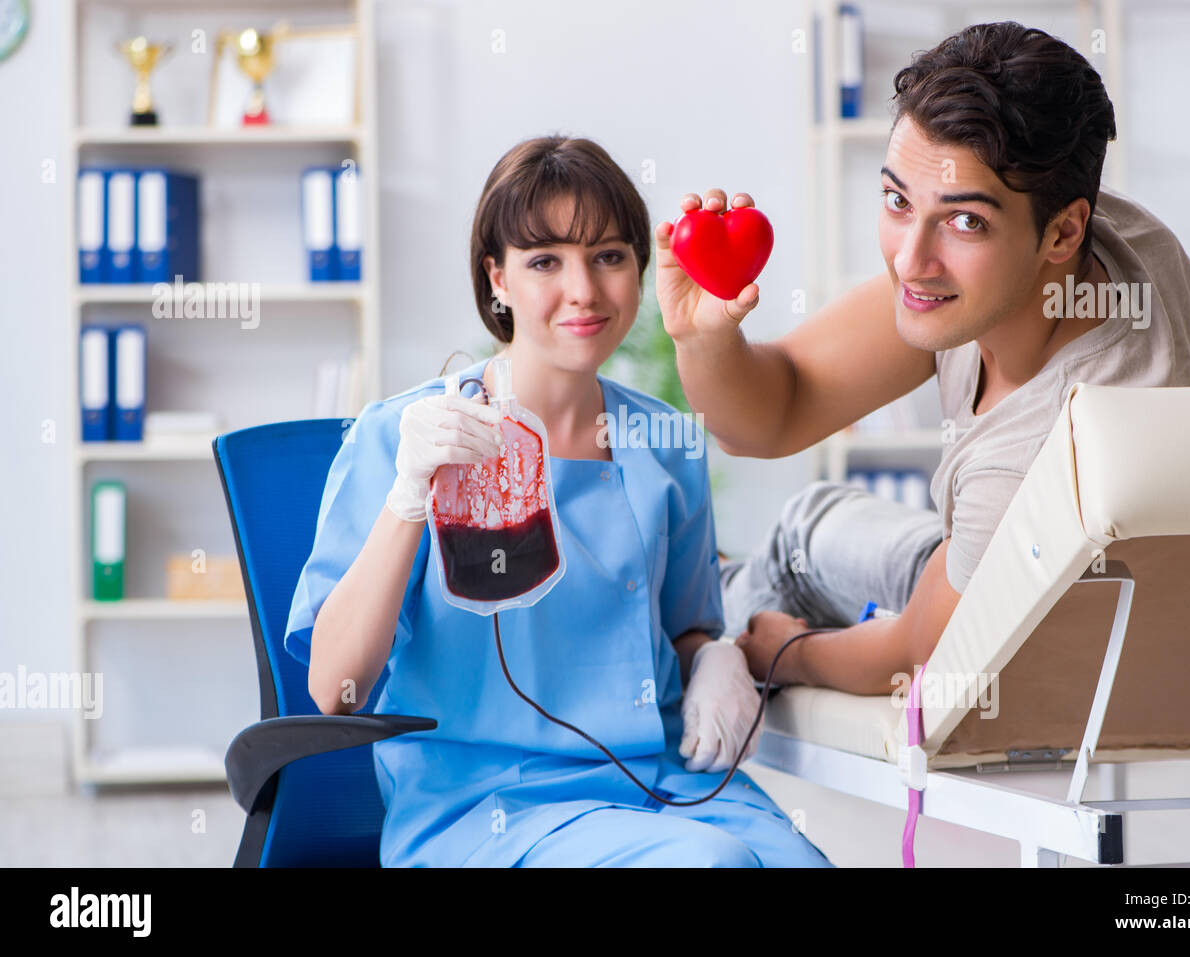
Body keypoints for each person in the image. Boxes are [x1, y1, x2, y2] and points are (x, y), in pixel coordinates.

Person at [655, 22, 1190, 695]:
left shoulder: (1054, 446)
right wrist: (703, 335)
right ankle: (716, 594)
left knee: (766, 586)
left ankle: (697, 619)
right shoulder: (1087, 234)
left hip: (1097, 666)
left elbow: (916, 649)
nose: (909, 260)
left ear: (1063, 230)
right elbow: (775, 411)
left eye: (964, 221)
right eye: (898, 200)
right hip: (1025, 578)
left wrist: (787, 650)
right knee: (808, 524)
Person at [283, 135, 833, 868]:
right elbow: (335, 688)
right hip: (492, 805)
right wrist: (410, 495)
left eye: (608, 255)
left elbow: (685, 631)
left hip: (664, 782)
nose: (584, 289)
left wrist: (717, 657)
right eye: (545, 261)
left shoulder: (665, 439)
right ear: (497, 278)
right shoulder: (407, 436)